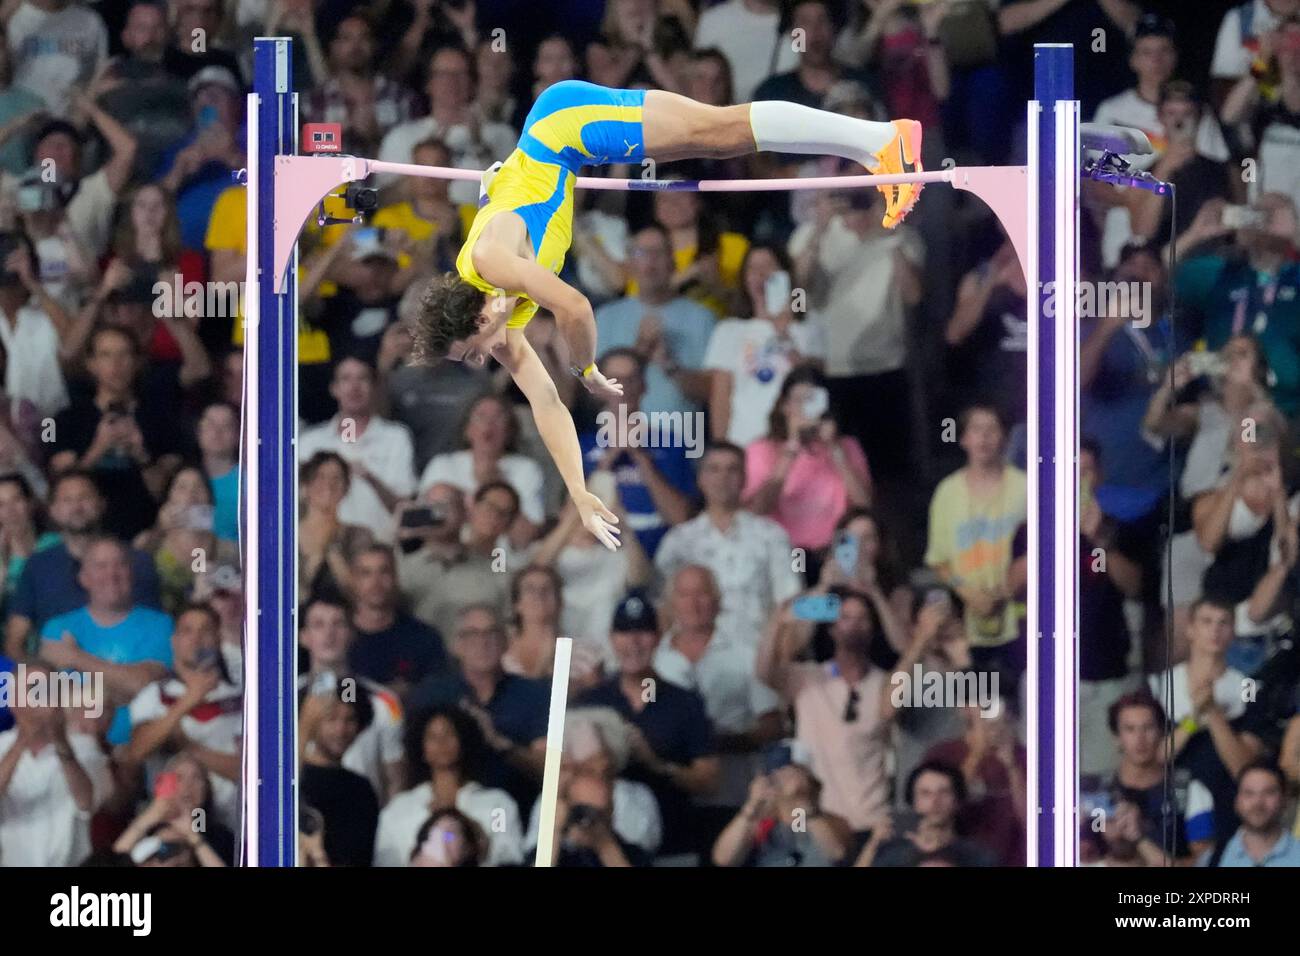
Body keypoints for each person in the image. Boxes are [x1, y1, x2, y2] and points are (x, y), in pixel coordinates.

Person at [411, 76, 925, 549]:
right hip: (556, 154)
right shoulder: (502, 318)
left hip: (563, 127)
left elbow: (575, 305)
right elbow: (547, 406)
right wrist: (580, 491)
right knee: (717, 133)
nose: (481, 362)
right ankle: (875, 147)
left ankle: (881, 138)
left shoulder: (490, 262)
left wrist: (585, 369)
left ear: (476, 317)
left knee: (719, 131)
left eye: (470, 353)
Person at [573, 591, 720, 859]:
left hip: (672, 844)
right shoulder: (590, 701)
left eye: (643, 632)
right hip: (598, 847)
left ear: (658, 637)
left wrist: (657, 764)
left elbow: (708, 780)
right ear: (612, 639)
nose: (634, 642)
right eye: (625, 633)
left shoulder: (684, 702)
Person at [405, 604, 548, 814]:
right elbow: (412, 765)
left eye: (492, 633)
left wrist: (501, 743)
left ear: (506, 642)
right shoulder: (431, 696)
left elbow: (550, 772)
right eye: (472, 635)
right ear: (456, 645)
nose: (483, 642)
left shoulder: (534, 694)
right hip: (440, 810)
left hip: (517, 809)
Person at [4, 470, 161, 657]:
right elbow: (15, 641)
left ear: (102, 504)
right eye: (67, 501)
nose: (77, 507)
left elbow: (152, 631)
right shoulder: (37, 566)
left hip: (126, 669)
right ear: (53, 510)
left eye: (84, 497)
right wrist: (35, 678)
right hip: (56, 678)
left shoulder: (136, 560)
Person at [656, 441, 802, 638]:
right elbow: (662, 607)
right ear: (700, 479)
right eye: (714, 470)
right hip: (695, 658)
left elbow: (791, 601)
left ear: (744, 478)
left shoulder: (773, 536)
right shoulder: (677, 541)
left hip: (756, 654)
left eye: (732, 470)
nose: (723, 478)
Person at [38, 536, 173, 746]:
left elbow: (143, 684)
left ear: (131, 573)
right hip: (74, 750)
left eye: (120, 564)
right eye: (101, 566)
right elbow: (46, 699)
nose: (112, 574)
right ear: (84, 577)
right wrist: (120, 686)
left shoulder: (161, 625)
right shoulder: (57, 628)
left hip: (140, 749)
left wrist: (75, 657)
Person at [123, 602, 242, 829]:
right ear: (174, 641)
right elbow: (137, 751)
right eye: (187, 631)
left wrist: (188, 747)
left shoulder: (243, 699)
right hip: (171, 823)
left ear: (218, 639)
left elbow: (250, 772)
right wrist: (188, 700)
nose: (196, 639)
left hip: (232, 826)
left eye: (205, 630)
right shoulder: (153, 696)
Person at [374, 705, 523, 867]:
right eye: (432, 736)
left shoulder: (496, 805)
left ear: (463, 741)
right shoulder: (399, 809)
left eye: (449, 733)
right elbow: (385, 860)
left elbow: (507, 854)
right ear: (421, 748)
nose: (441, 742)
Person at [297, 596, 405, 805]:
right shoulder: (281, 700)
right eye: (319, 625)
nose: (329, 634)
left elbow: (396, 779)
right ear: (304, 637)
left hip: (360, 820)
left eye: (338, 624)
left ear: (351, 633)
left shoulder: (385, 702)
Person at [297, 357, 417, 544]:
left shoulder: (395, 437)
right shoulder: (310, 443)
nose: (354, 387)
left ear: (374, 387)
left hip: (378, 552)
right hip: (322, 549)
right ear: (334, 389)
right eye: (346, 379)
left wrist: (369, 478)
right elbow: (296, 505)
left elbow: (405, 508)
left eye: (362, 379)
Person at [0, 668, 109, 867]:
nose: (39, 698)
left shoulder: (84, 747)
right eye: (32, 690)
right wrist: (20, 742)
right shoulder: (2, 746)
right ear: (13, 701)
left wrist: (60, 741)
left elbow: (87, 802)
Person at [347, 544, 445, 697]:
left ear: (396, 577)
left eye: (384, 572)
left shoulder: (423, 637)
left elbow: (438, 693)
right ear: (353, 581)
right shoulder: (337, 637)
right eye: (366, 574)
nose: (376, 582)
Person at [712, 760, 851, 867]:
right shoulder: (761, 825)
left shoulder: (830, 822)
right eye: (780, 774)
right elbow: (724, 859)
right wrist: (752, 805)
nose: (786, 777)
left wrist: (802, 802)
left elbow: (837, 854)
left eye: (794, 773)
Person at [856, 761, 996, 867]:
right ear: (913, 801)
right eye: (925, 794)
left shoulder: (978, 857)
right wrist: (873, 844)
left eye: (944, 792)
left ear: (957, 800)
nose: (935, 802)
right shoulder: (893, 854)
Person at [298, 691, 380, 867]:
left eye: (350, 720)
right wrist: (303, 730)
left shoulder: (361, 788)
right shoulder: (296, 776)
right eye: (331, 719)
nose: (341, 730)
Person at [111, 751, 232, 866]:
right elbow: (112, 862)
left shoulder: (220, 837)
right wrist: (149, 818)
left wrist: (193, 836)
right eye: (179, 777)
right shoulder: (145, 830)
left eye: (197, 778)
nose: (188, 785)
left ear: (206, 789)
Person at [1202, 760, 1300, 866]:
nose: (1258, 803)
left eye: (1269, 793)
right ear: (1236, 800)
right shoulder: (1213, 858)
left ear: (1284, 799)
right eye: (1249, 793)